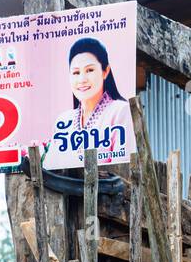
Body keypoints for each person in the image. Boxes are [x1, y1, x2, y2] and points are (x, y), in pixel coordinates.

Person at [46, 35, 132, 167]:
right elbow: (49, 169)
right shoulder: (63, 121)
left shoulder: (120, 111)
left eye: (89, 70)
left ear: (105, 71)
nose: (82, 79)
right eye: (75, 73)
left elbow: (124, 168)